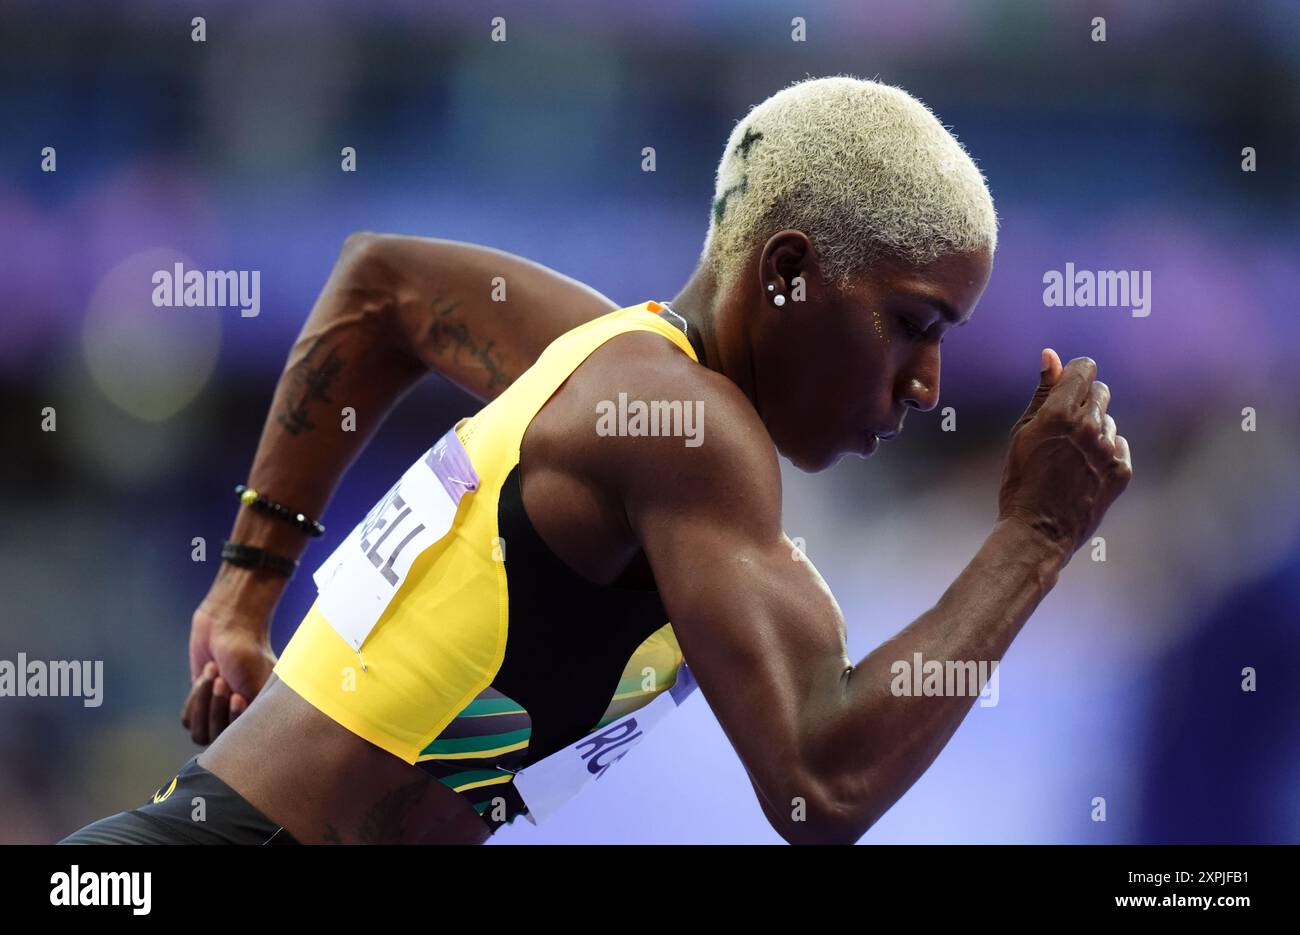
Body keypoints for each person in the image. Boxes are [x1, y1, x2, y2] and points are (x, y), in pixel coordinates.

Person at [61, 75, 1130, 845]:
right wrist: (1033, 538)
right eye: (911, 322)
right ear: (792, 270)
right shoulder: (687, 428)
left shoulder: (617, 369)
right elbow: (820, 783)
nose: (926, 383)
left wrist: (248, 588)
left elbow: (380, 286)